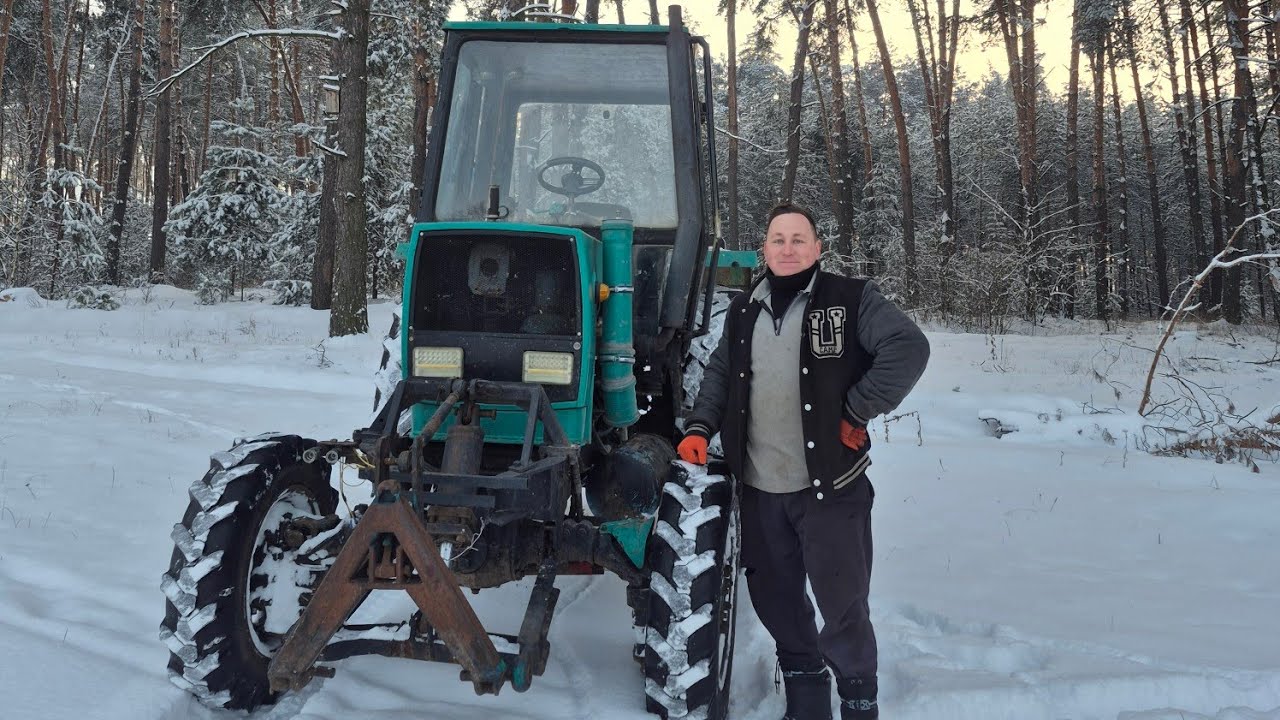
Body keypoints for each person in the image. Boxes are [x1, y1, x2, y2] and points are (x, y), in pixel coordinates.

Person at [678, 202, 929, 720]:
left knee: (843, 606)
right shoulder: (745, 306)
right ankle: (807, 700)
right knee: (775, 599)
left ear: (818, 248)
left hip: (831, 490)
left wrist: (857, 410)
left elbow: (908, 347)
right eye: (777, 239)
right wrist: (701, 427)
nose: (787, 249)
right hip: (761, 488)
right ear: (764, 250)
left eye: (798, 239)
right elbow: (722, 374)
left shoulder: (851, 299)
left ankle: (859, 702)